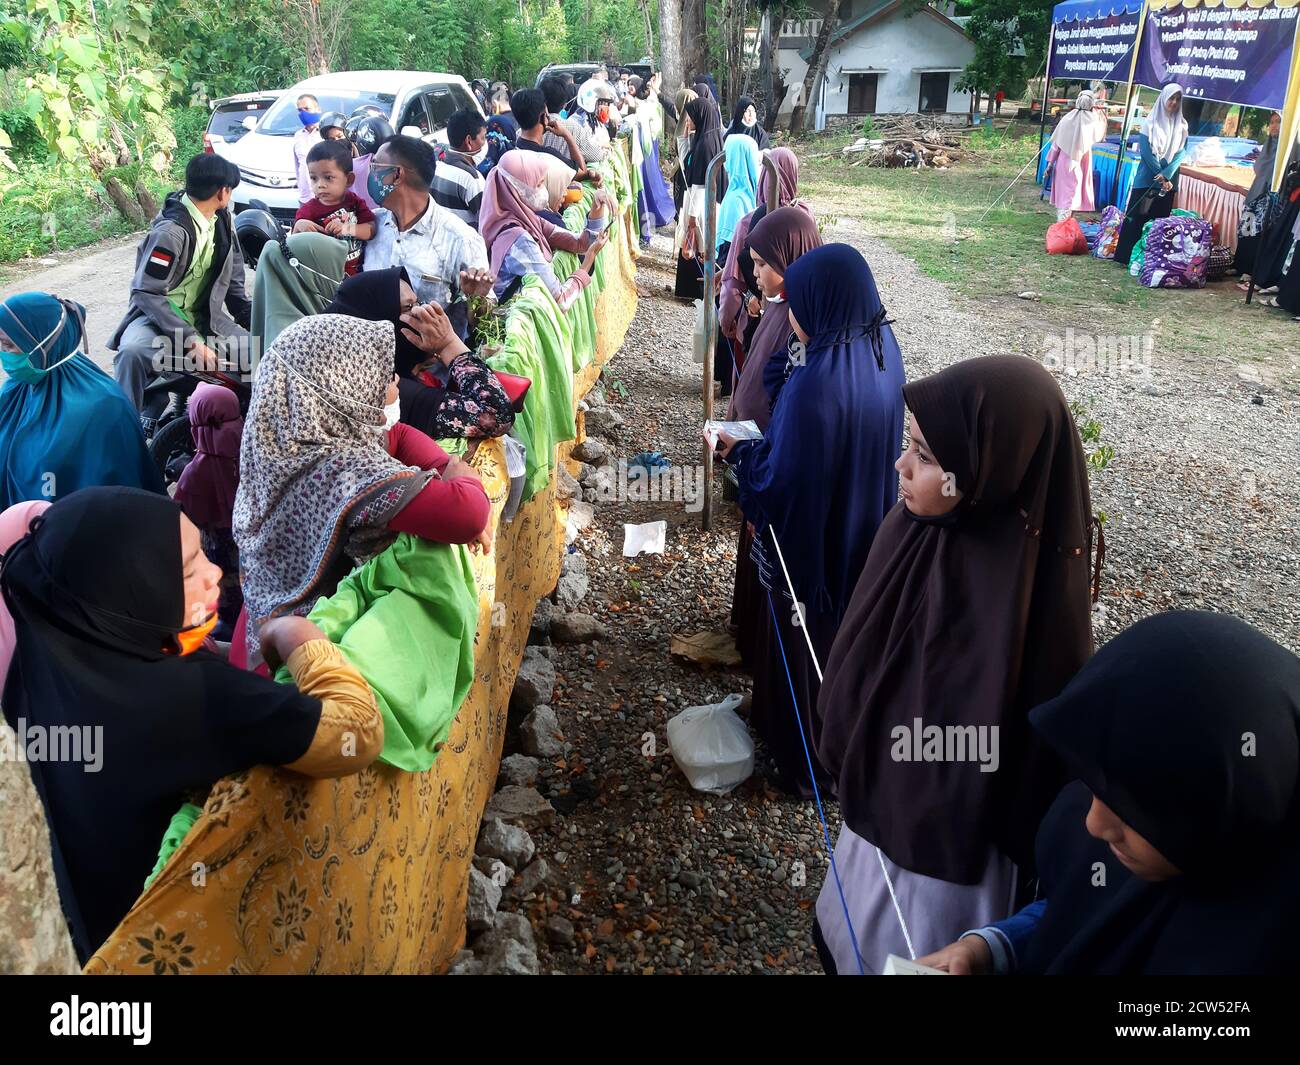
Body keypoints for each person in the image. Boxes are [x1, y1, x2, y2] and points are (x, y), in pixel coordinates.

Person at [0, 485, 385, 963]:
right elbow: (356, 733)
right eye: (187, 570)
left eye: (202, 552)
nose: (216, 573)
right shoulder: (190, 696)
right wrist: (294, 634)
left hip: (91, 938)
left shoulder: (39, 657)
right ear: (131, 595)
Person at [811, 355, 1096, 976]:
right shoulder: (914, 528)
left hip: (948, 859)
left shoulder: (1022, 594)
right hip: (877, 824)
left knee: (915, 952)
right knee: (854, 935)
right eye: (908, 443)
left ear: (992, 469)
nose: (901, 466)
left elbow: (1015, 755)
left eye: (927, 456)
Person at [917, 611, 1300, 975]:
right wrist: (992, 949)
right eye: (1092, 784)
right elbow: (1078, 905)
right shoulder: (1164, 843)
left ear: (1223, 812)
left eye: (1130, 810)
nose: (1094, 824)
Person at [714, 244, 905, 798]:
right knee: (839, 642)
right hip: (859, 525)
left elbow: (779, 485)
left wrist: (736, 454)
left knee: (800, 652)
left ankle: (801, 763)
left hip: (808, 552)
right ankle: (831, 746)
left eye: (795, 302)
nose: (787, 312)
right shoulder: (878, 345)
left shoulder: (818, 382)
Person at [232, 314, 491, 654]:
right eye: (381, 373)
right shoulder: (340, 469)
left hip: (261, 631)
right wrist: (461, 478)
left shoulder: (290, 440)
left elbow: (393, 435)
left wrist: (445, 467)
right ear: (343, 389)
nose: (395, 378)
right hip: (304, 665)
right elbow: (467, 514)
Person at [724, 208, 821, 670]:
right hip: (753, 453)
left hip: (768, 462)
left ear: (793, 257)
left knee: (768, 562)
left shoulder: (803, 320)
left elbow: (783, 398)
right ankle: (747, 638)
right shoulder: (782, 306)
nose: (754, 273)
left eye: (763, 264)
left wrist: (751, 449)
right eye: (754, 262)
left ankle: (762, 658)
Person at [109, 154, 252, 417]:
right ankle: (124, 429)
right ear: (223, 192)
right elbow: (146, 291)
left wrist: (252, 319)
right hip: (158, 322)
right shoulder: (170, 232)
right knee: (133, 352)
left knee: (262, 357)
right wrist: (190, 341)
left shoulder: (223, 222)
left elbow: (234, 284)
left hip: (208, 321)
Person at [0, 293, 163, 508]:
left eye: (9, 345)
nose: (4, 354)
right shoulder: (17, 387)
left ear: (41, 344)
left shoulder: (102, 407)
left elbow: (111, 496)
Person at [324, 268, 514, 439]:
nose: (422, 312)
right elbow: (496, 415)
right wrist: (447, 343)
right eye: (409, 307)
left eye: (418, 303)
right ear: (378, 320)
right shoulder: (390, 391)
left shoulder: (372, 371)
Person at [364, 134, 494, 340]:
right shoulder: (370, 226)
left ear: (397, 174)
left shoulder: (460, 239)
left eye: (375, 166)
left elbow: (486, 328)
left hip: (431, 368)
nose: (370, 173)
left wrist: (476, 299)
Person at [480, 151, 611, 313]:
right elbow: (561, 301)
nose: (544, 191)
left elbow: (579, 243)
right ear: (518, 191)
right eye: (539, 184)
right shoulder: (518, 239)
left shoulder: (527, 220)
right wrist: (588, 261)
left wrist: (596, 209)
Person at [173, 383, 243, 640]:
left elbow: (184, 512)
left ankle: (226, 627)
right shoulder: (249, 452)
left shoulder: (196, 470)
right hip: (247, 538)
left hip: (215, 542)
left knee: (222, 583)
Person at [720, 147, 807, 352]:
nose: (756, 271)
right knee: (790, 370)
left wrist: (726, 321)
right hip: (797, 331)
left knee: (757, 374)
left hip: (756, 324)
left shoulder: (751, 222)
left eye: (761, 264)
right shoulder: (804, 219)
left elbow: (733, 283)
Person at [1114, 83, 1188, 266]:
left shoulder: (1182, 126)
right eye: (1171, 98)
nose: (1174, 102)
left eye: (1177, 99)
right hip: (1148, 179)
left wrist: (1167, 174)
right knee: (1137, 218)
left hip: (1168, 182)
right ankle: (1125, 256)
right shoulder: (1151, 123)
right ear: (1163, 98)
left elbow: (1181, 153)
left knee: (1158, 221)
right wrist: (1160, 174)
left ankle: (1150, 259)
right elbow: (1146, 152)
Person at [249, 231, 348, 353]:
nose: (343, 279)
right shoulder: (301, 343)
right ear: (307, 276)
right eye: (337, 271)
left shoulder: (276, 324)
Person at [292, 139, 375, 277]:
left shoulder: (354, 202)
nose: (320, 185)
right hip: (324, 276)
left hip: (358, 273)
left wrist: (347, 228)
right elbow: (294, 239)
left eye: (328, 178)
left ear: (349, 180)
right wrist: (300, 225)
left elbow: (371, 230)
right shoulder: (309, 210)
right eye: (314, 178)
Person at [674, 96, 725, 300]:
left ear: (700, 116)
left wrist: (693, 217)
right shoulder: (704, 138)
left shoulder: (705, 145)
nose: (688, 120)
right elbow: (687, 165)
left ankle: (694, 292)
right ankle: (690, 292)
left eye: (690, 117)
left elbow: (700, 185)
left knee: (698, 247)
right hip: (697, 201)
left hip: (700, 205)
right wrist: (684, 138)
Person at [1235, 111, 1282, 285]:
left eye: (1278, 122)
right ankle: (1241, 265)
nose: (1274, 126)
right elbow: (1261, 168)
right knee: (1246, 229)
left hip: (1271, 196)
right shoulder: (1268, 146)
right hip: (1256, 192)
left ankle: (1252, 270)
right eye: (1272, 122)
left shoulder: (1287, 150)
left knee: (1259, 232)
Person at [1045, 89, 1107, 221]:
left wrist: (1050, 164)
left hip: (1064, 163)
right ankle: (1063, 227)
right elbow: (1101, 133)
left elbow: (1056, 145)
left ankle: (1064, 225)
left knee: (1066, 197)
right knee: (1072, 196)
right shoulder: (1092, 122)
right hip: (1080, 163)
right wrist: (1098, 112)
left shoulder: (1067, 119)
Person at [432, 108, 488, 228]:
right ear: (469, 141)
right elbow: (487, 224)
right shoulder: (472, 180)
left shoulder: (436, 164)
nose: (485, 143)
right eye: (483, 138)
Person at [511, 88, 585, 171]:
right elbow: (582, 171)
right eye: (547, 114)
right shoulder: (550, 157)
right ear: (543, 117)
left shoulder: (511, 154)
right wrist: (567, 135)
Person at [541, 77, 605, 168]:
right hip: (568, 179)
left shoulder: (526, 129)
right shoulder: (575, 128)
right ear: (564, 104)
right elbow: (597, 155)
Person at [293, 93, 323, 205]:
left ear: (318, 109)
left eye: (307, 109)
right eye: (300, 110)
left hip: (325, 197)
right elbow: (298, 166)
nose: (303, 113)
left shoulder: (325, 134)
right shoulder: (298, 136)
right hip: (305, 199)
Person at [482, 88, 519, 175]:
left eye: (489, 106)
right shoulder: (521, 117)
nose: (489, 110)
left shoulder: (494, 122)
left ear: (494, 104)